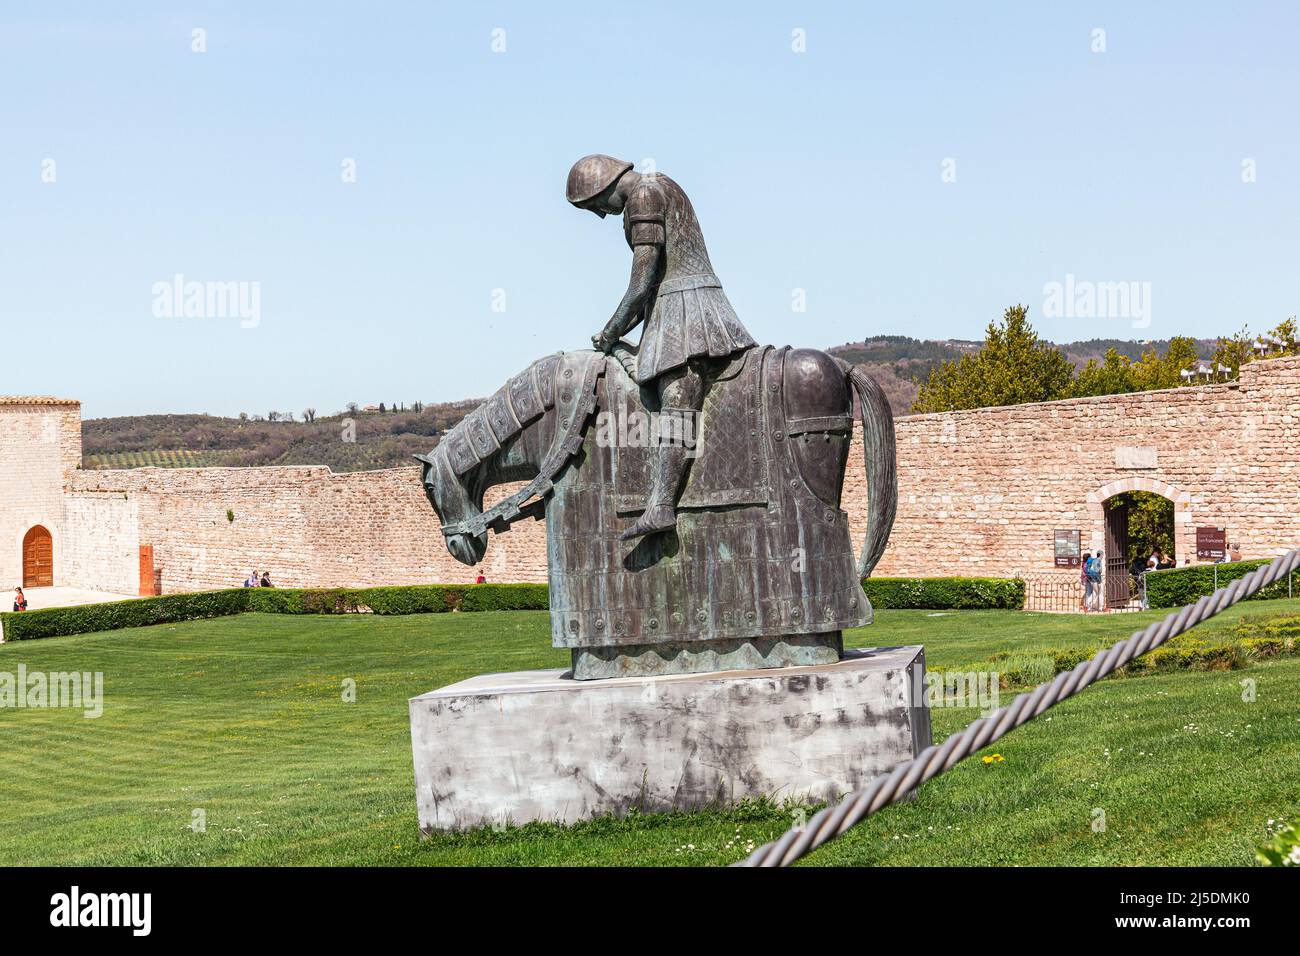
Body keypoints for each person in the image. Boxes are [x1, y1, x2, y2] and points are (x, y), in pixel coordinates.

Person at [568, 154, 756, 541]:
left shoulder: (644, 195)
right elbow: (649, 289)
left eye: (594, 207)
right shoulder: (657, 186)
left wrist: (609, 331)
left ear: (603, 189)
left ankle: (661, 506)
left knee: (676, 396)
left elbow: (642, 282)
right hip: (672, 305)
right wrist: (618, 334)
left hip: (687, 310)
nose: (601, 215)